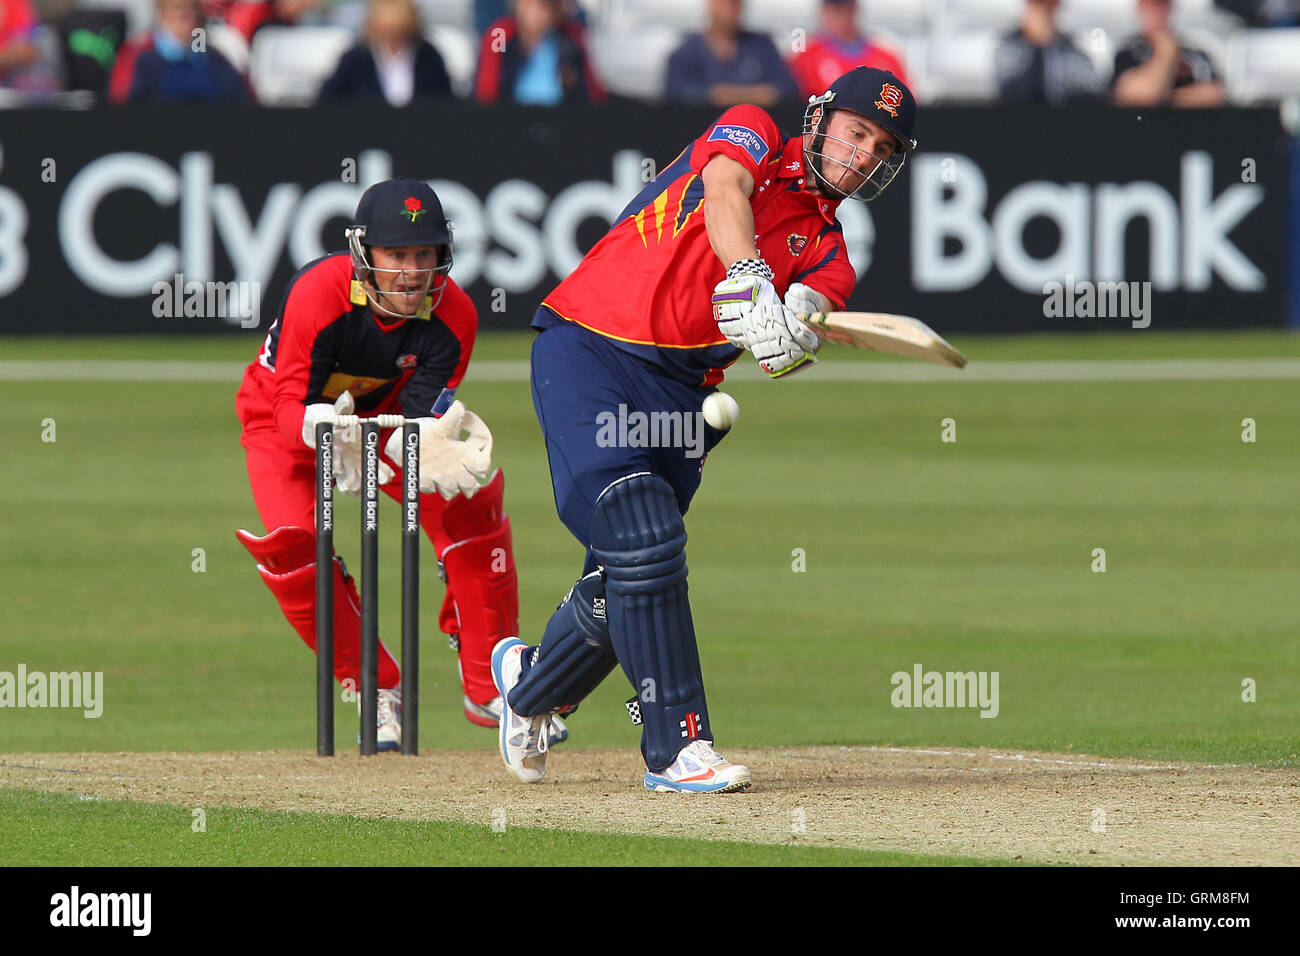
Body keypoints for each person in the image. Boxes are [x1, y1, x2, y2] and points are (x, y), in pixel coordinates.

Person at [490, 67, 917, 793]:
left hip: (684, 393)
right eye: (856, 130)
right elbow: (724, 193)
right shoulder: (751, 130)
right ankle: (678, 749)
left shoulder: (833, 255)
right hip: (588, 345)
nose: (863, 154)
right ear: (817, 120)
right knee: (644, 534)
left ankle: (529, 687)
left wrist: (789, 340)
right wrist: (749, 275)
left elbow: (803, 320)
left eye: (880, 147)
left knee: (623, 572)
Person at [235, 178, 551, 749]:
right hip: (285, 424)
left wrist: (418, 439)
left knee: (469, 504)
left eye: (423, 255)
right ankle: (376, 689)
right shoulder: (318, 294)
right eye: (397, 255)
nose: (412, 271)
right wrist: (322, 433)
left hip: (383, 425)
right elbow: (285, 403)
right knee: (292, 549)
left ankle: (493, 685)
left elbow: (416, 415)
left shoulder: (454, 317)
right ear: (365, 255)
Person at [108, 0, 250, 104]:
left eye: (191, 10)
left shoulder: (214, 59)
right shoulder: (138, 56)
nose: (185, 17)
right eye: (177, 9)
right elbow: (124, 107)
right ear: (162, 16)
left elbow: (241, 101)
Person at [664, 0, 797, 106]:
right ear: (710, 4)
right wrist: (756, 96)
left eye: (735, 2)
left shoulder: (762, 47)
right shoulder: (685, 54)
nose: (729, 9)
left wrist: (722, 95)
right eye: (724, 2)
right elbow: (678, 95)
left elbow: (787, 89)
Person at [319, 0, 452, 105]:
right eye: (386, 32)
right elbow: (328, 101)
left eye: (398, 32)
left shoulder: (429, 57)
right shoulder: (355, 59)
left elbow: (445, 102)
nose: (392, 39)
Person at [475, 0, 602, 105]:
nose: (545, 14)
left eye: (552, 6)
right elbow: (487, 91)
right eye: (539, 6)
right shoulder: (500, 34)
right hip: (510, 119)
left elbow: (593, 93)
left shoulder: (572, 36)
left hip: (562, 119)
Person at [788, 0, 910, 101]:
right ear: (824, 11)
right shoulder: (805, 54)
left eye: (847, 7)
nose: (843, 16)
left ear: (855, 8)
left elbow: (906, 100)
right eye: (836, 9)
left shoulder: (885, 53)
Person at [1111, 0, 1224, 107]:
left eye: (1161, 6)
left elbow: (1214, 94)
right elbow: (1140, 95)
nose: (1157, 13)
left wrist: (1166, 97)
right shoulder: (1127, 53)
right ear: (1140, 8)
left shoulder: (1195, 53)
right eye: (1151, 7)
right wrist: (1166, 53)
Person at [994, 0, 1106, 106]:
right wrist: (1039, 45)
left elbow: (1092, 91)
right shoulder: (1009, 44)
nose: (1043, 11)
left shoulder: (1070, 47)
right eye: (1038, 3)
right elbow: (1012, 91)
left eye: (1050, 4)